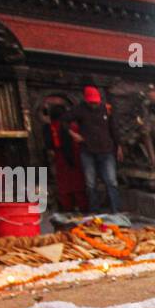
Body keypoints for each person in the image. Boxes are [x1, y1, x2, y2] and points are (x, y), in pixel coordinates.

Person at [66, 85, 123, 214]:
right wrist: (73, 134)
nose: (94, 105)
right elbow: (64, 121)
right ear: (86, 100)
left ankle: (116, 210)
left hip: (106, 149)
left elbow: (113, 128)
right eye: (91, 102)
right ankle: (94, 211)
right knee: (90, 183)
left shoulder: (106, 109)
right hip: (88, 150)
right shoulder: (79, 110)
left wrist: (118, 145)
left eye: (96, 102)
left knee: (111, 181)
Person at [36, 103, 86, 213]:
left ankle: (68, 208)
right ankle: (82, 207)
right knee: (78, 184)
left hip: (60, 158)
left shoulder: (50, 127)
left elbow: (49, 145)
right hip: (74, 156)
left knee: (64, 185)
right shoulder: (72, 126)